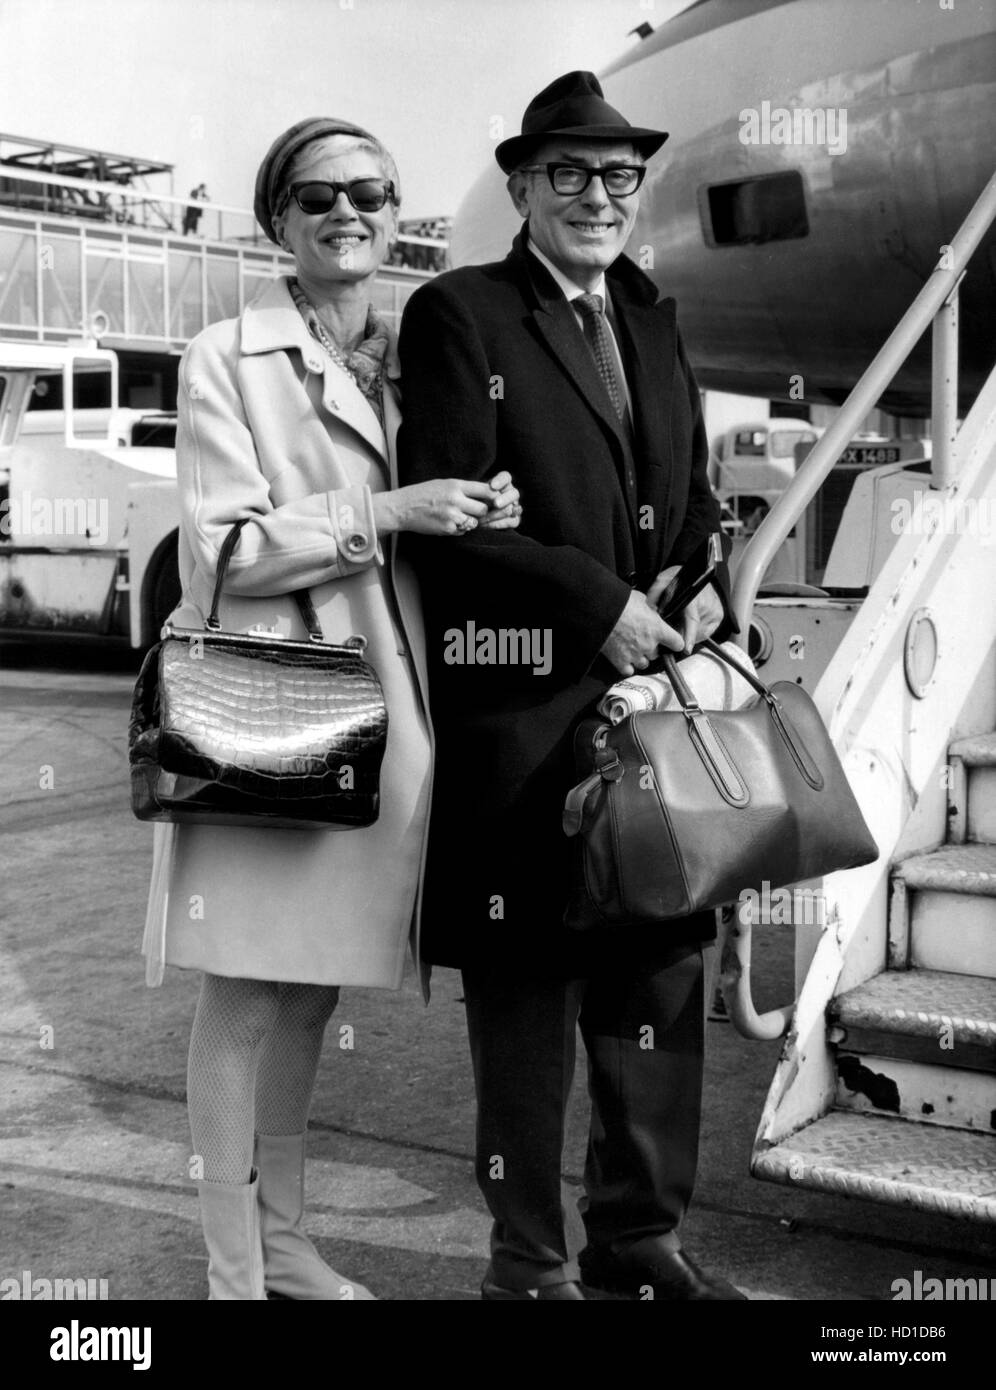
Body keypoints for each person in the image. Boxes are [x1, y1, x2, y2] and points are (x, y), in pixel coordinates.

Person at [142, 116, 519, 1300]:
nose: (346, 211)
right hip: (277, 708)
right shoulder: (225, 356)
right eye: (316, 196)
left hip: (387, 712)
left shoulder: (426, 350)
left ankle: (287, 1244)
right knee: (247, 984)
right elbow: (223, 552)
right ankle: (230, 1270)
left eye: (370, 190)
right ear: (278, 221)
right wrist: (390, 512)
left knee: (306, 984)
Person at [397, 71, 744, 1301]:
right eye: (569, 176)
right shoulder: (462, 316)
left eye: (618, 177)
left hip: (650, 725)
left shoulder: (651, 314)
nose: (598, 197)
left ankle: (640, 1244)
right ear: (521, 189)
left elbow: (694, 493)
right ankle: (527, 1265)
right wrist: (604, 607)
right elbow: (448, 523)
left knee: (659, 985)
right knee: (528, 1021)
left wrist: (706, 578)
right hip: (526, 726)